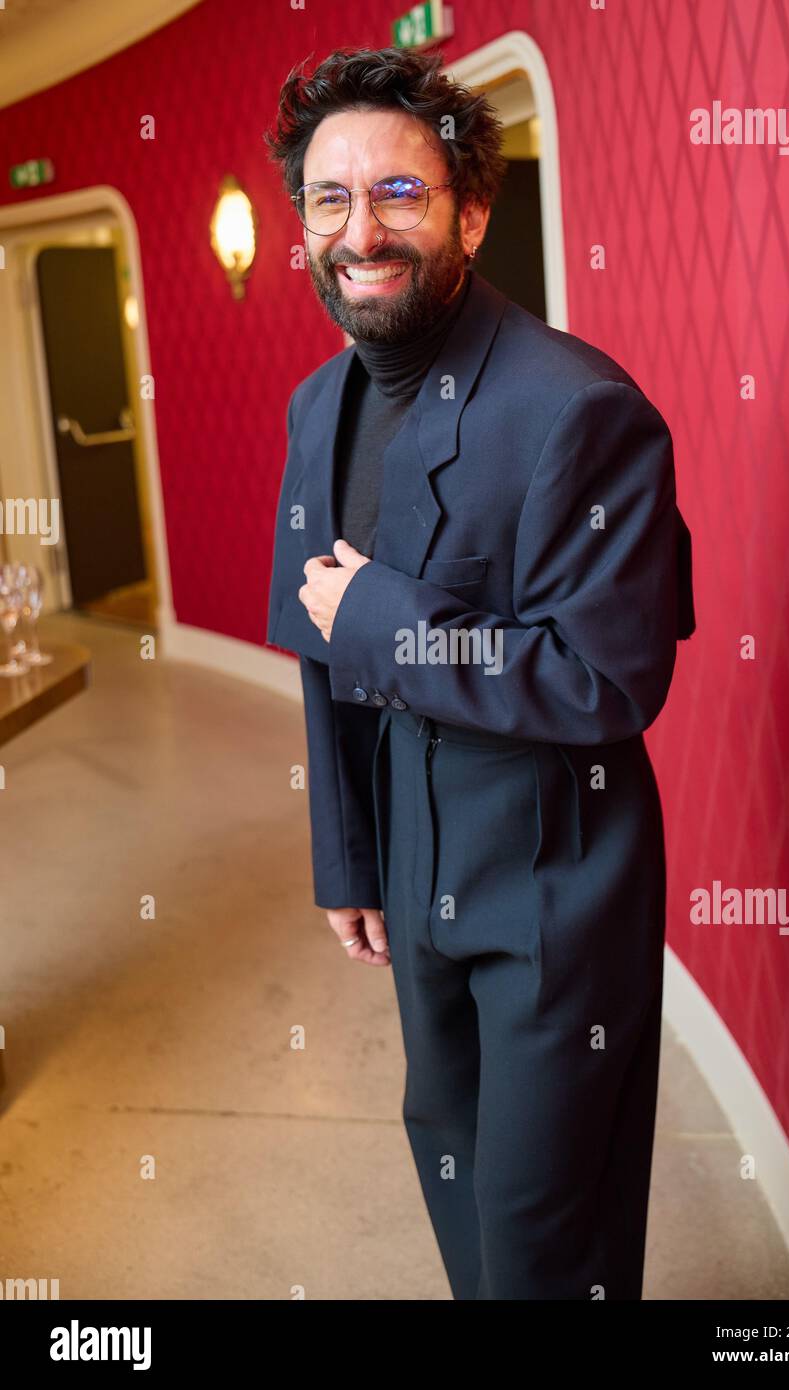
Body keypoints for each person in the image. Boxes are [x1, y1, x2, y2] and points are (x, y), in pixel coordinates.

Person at [265, 45, 696, 1300]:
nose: (363, 229)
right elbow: (316, 645)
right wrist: (349, 857)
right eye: (331, 199)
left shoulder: (578, 406)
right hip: (412, 845)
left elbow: (603, 681)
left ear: (470, 209)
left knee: (540, 1230)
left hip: (559, 871)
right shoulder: (313, 408)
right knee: (446, 1158)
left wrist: (387, 617)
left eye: (399, 192)